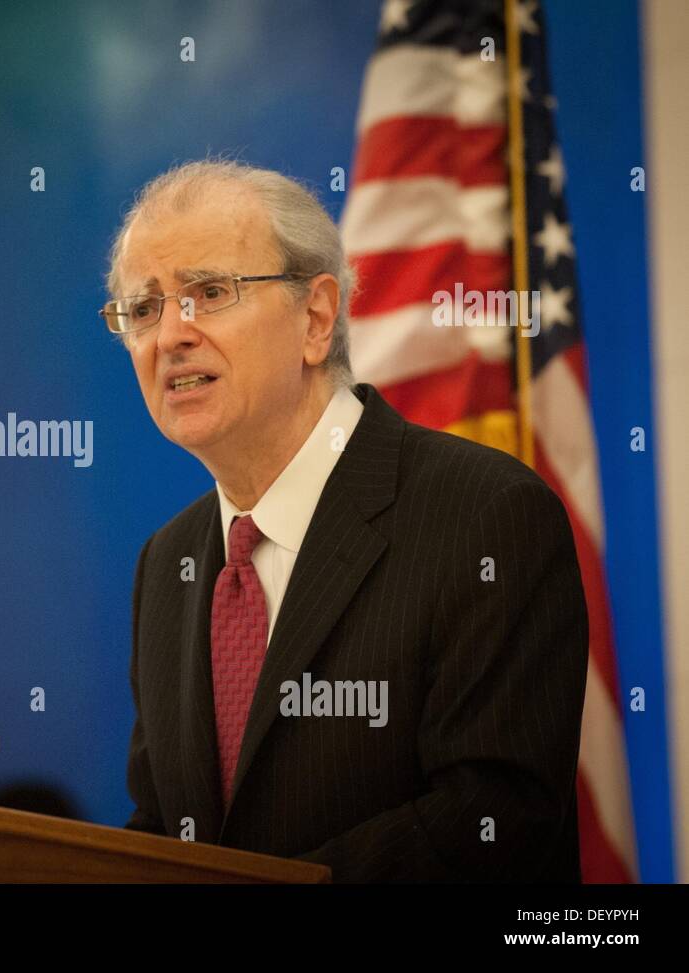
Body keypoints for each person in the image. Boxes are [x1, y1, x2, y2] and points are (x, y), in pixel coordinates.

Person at [107, 160, 588, 882]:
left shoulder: (485, 516)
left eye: (210, 292)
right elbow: (166, 825)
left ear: (316, 316)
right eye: (143, 308)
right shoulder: (166, 561)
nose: (171, 332)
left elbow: (493, 816)